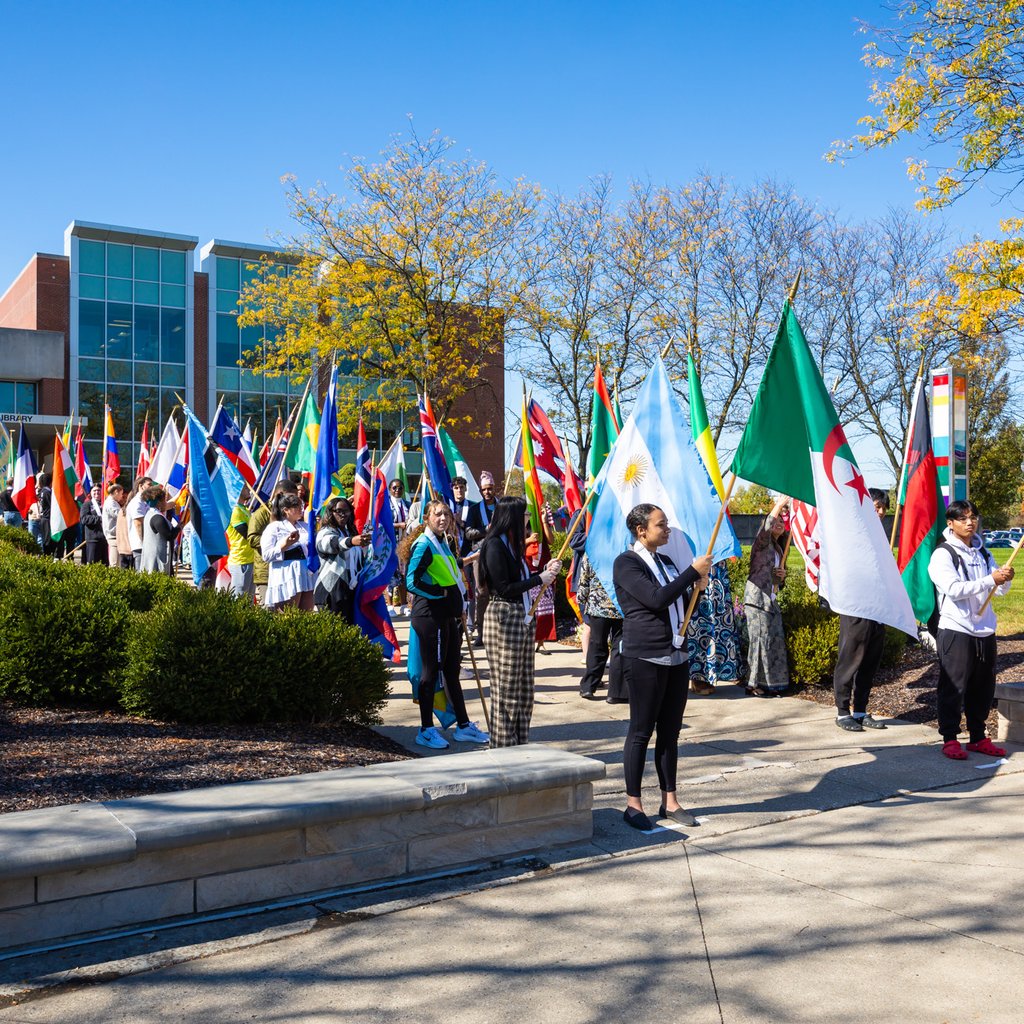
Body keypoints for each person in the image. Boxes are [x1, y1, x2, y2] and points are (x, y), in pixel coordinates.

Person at [613, 503, 712, 831]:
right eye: (661, 524)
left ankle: (670, 800)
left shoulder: (667, 561)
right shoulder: (627, 563)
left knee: (670, 731)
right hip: (645, 656)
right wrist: (691, 573)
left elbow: (680, 604)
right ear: (641, 530)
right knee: (641, 731)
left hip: (676, 655)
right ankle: (633, 805)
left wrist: (696, 590)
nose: (667, 529)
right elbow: (655, 599)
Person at [928, 499, 1013, 760]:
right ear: (950, 523)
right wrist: (989, 580)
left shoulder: (982, 552)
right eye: (963, 518)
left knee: (983, 688)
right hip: (956, 629)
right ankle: (950, 739)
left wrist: (1004, 579)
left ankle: (978, 737)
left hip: (984, 630)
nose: (970, 522)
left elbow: (998, 590)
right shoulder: (943, 554)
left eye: (973, 517)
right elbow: (953, 589)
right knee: (953, 687)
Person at [405, 499, 489, 750]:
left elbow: (450, 573)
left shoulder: (444, 542)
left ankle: (463, 726)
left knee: (452, 670)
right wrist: (440, 594)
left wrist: (457, 600)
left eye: (446, 514)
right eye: (437, 514)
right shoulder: (424, 544)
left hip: (448, 616)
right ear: (427, 518)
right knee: (430, 673)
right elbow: (411, 581)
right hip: (429, 616)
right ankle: (425, 729)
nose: (443, 518)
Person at [479, 496, 561, 746]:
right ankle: (503, 744)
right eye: (523, 515)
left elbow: (520, 579)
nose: (526, 520)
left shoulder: (512, 546)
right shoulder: (494, 545)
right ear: (510, 518)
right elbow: (504, 588)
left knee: (524, 688)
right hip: (504, 617)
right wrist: (539, 580)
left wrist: (544, 571)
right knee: (507, 687)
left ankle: (520, 740)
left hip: (522, 615)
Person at [833, 488, 891, 731]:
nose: (881, 512)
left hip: (878, 606)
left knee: (870, 661)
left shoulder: (881, 536)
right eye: (876, 507)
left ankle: (860, 710)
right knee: (850, 658)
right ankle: (842, 712)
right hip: (856, 605)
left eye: (883, 509)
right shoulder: (853, 533)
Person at [743, 494, 790, 697]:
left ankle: (773, 683)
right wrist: (778, 505)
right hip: (757, 599)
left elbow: (777, 582)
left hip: (771, 600)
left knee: (773, 642)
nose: (779, 523)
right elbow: (766, 527)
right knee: (759, 642)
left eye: (782, 521)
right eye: (776, 520)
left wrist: (782, 577)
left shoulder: (779, 548)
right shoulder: (762, 543)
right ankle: (752, 684)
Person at [686, 560, 741, 696]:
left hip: (717, 574)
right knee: (699, 624)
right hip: (697, 567)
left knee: (718, 624)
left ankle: (710, 674)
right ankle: (697, 676)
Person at [577, 552, 625, 703]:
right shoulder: (625, 548)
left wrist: (582, 598)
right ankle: (616, 692)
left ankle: (588, 686)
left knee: (597, 644)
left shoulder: (593, 550)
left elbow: (584, 576)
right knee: (619, 647)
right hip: (621, 604)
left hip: (597, 604)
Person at [315, 496, 366, 623]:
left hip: (349, 589)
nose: (343, 514)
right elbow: (331, 544)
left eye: (346, 511)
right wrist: (351, 541)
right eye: (339, 511)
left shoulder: (350, 532)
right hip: (331, 589)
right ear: (330, 512)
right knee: (334, 631)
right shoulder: (325, 532)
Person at [260, 492, 315, 610]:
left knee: (306, 614)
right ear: (286, 510)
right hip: (286, 575)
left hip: (306, 574)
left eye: (301, 506)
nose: (301, 509)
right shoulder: (274, 527)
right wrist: (284, 545)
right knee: (288, 613)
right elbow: (266, 555)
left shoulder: (305, 526)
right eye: (296, 506)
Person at [248, 479, 299, 605]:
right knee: (269, 608)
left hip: (288, 571)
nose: (296, 501)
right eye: (292, 497)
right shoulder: (262, 513)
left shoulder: (293, 515)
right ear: (281, 494)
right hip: (266, 571)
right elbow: (252, 539)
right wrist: (277, 542)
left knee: (288, 609)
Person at [464, 471, 499, 646]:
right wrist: (486, 529)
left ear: (494, 488)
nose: (487, 492)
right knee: (482, 593)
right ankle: (481, 632)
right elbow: (468, 533)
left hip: (500, 554)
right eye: (484, 489)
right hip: (480, 554)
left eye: (490, 488)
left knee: (500, 591)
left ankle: (499, 631)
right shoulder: (474, 509)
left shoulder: (503, 507)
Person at [139, 484, 181, 575]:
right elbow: (169, 535)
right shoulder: (157, 517)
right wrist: (179, 527)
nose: (166, 502)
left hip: (153, 557)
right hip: (158, 560)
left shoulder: (150, 513)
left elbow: (170, 504)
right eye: (164, 500)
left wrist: (181, 493)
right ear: (159, 502)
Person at [224, 497, 256, 601]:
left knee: (249, 601)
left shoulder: (244, 509)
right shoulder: (235, 511)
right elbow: (248, 535)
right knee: (239, 600)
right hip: (241, 561)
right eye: (246, 488)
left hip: (251, 559)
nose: (249, 490)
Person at [388, 478, 411, 615]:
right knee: (390, 574)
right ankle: (390, 606)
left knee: (403, 574)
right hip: (390, 544)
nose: (397, 490)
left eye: (400, 488)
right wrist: (398, 525)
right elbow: (382, 523)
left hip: (404, 544)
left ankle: (404, 604)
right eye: (394, 487)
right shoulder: (385, 505)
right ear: (390, 489)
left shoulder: (408, 504)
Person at [124, 477, 153, 570]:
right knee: (141, 572)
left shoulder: (144, 501)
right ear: (141, 486)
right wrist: (145, 541)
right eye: (149, 485)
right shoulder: (137, 502)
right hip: (140, 545)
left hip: (146, 543)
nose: (151, 487)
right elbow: (138, 524)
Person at [79, 484, 106, 564]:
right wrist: (99, 519)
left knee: (105, 564)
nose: (97, 492)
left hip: (104, 539)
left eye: (99, 490)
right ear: (90, 493)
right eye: (94, 490)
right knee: (93, 563)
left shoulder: (105, 504)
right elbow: (84, 519)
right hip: (93, 539)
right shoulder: (87, 505)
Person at [102, 482, 125, 566]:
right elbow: (120, 515)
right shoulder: (111, 503)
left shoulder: (113, 502)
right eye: (121, 494)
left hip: (115, 536)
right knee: (114, 564)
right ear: (116, 492)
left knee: (117, 563)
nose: (121, 496)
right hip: (113, 536)